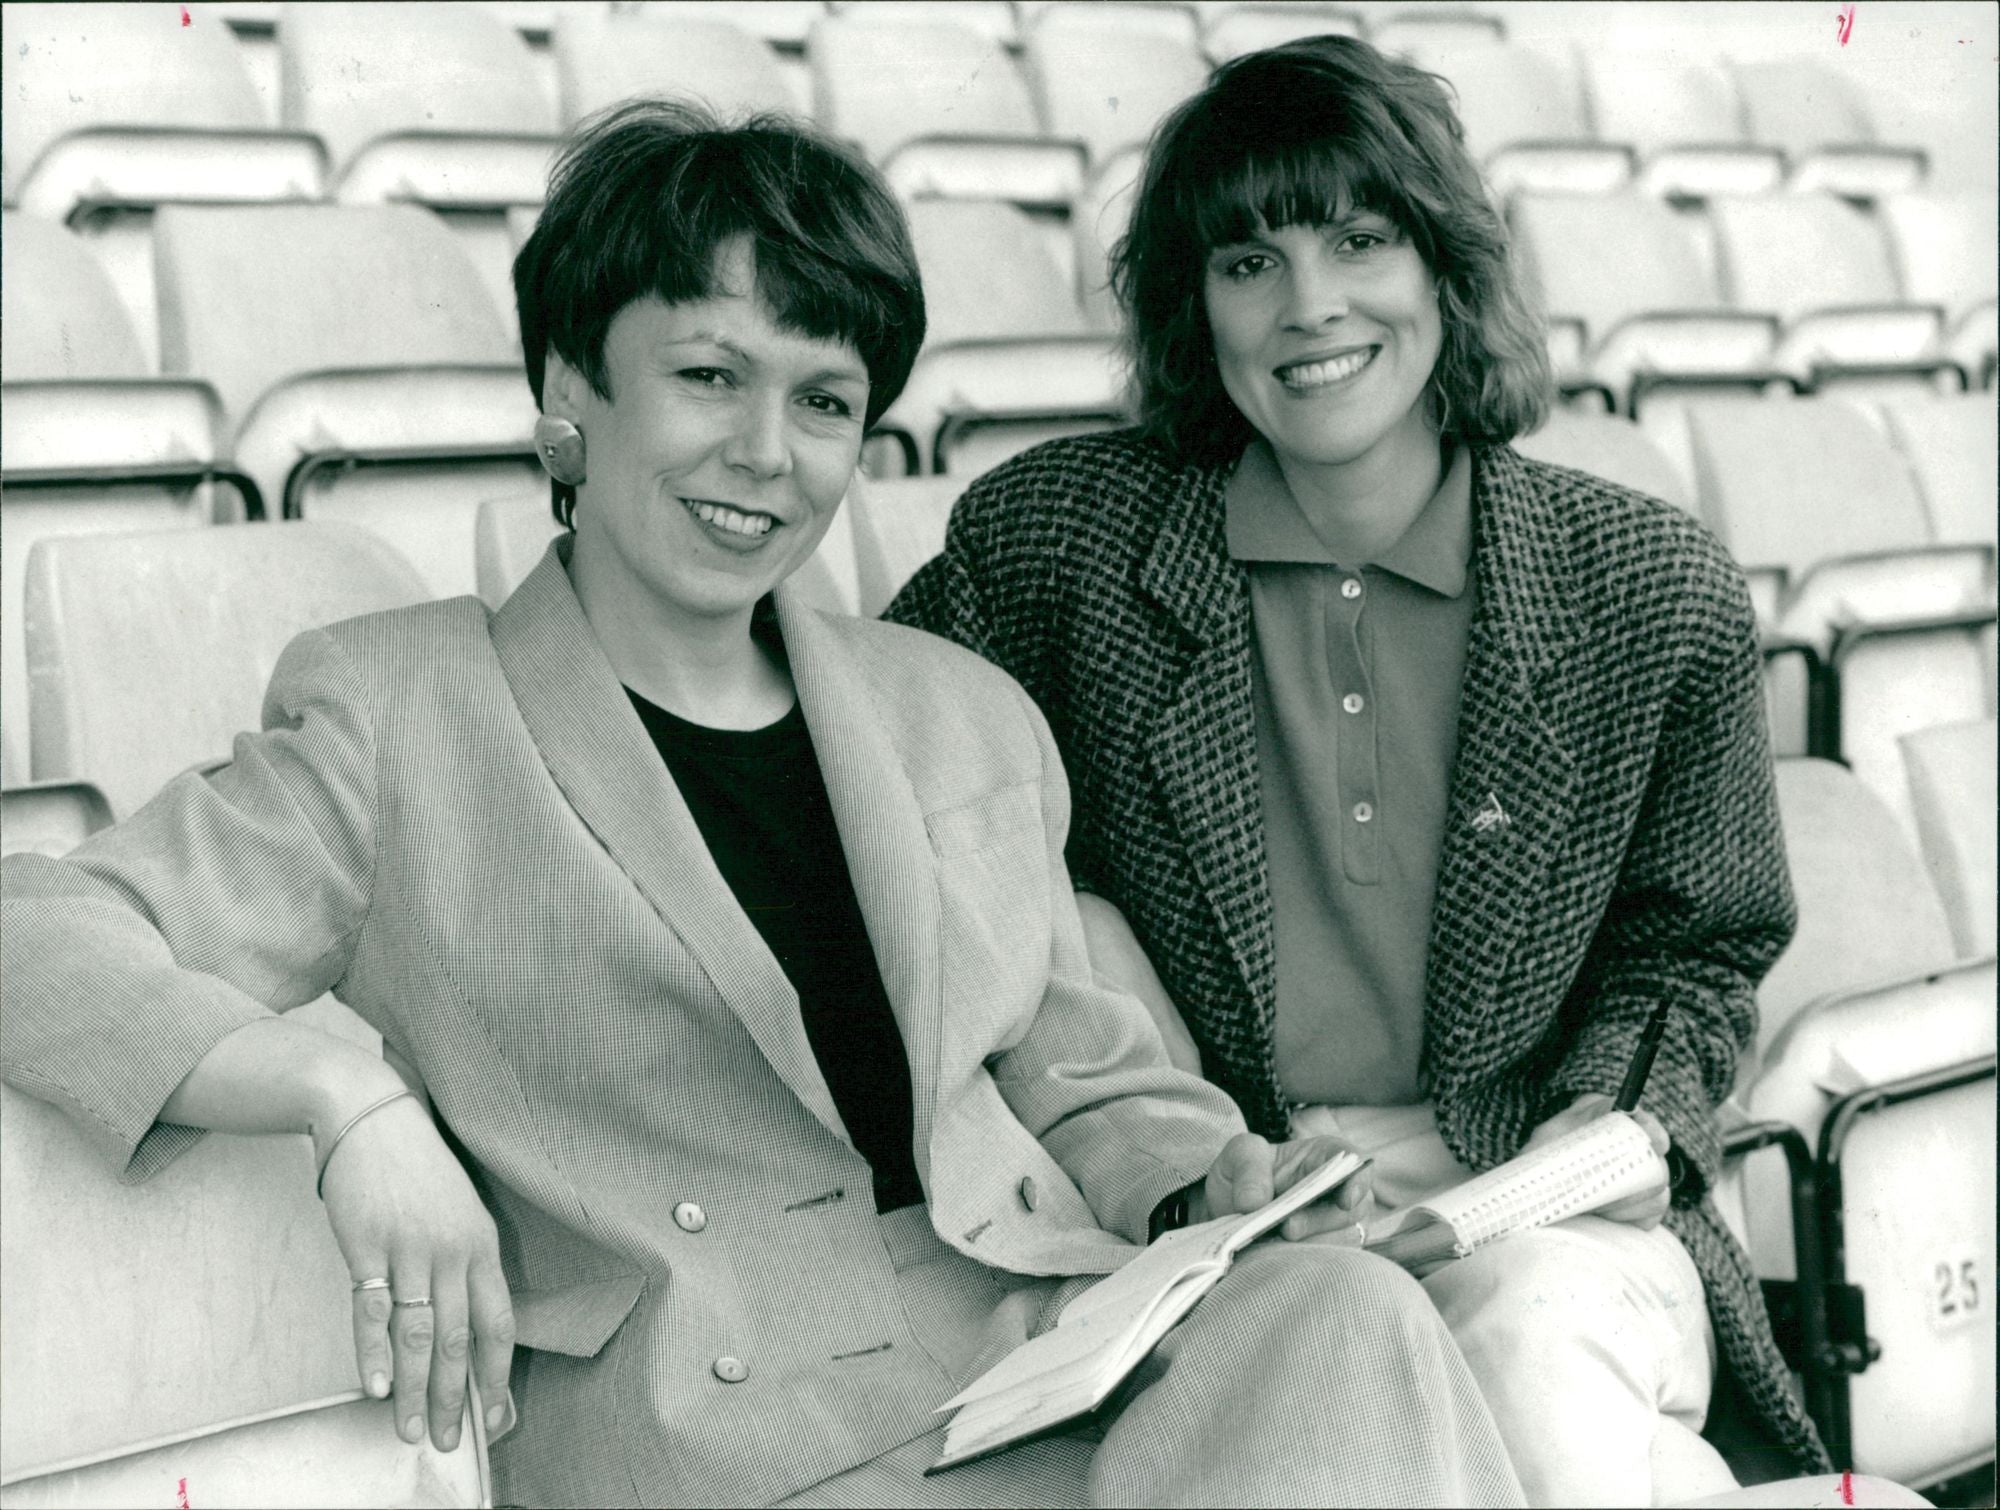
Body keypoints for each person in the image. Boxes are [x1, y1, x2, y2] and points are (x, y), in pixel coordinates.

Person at [0, 103, 1526, 1509]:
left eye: (823, 401)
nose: (765, 454)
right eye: (710, 375)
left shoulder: (955, 708)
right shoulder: (394, 714)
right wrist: (347, 1105)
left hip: (1035, 1349)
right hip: (722, 1437)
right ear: (571, 385)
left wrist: (1219, 1176)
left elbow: (1084, 1078)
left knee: (1347, 1313)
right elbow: (39, 927)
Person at [886, 35, 1831, 1508]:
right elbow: (885, 781)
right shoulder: (1051, 549)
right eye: (1248, 259)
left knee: (1521, 1357)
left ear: (1445, 270)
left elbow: (1698, 950)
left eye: (1360, 238)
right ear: (1194, 309)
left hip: (1539, 1208)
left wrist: (1617, 1111)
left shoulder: (1652, 587)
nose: (1310, 303)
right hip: (1218, 1206)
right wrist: (1079, 943)